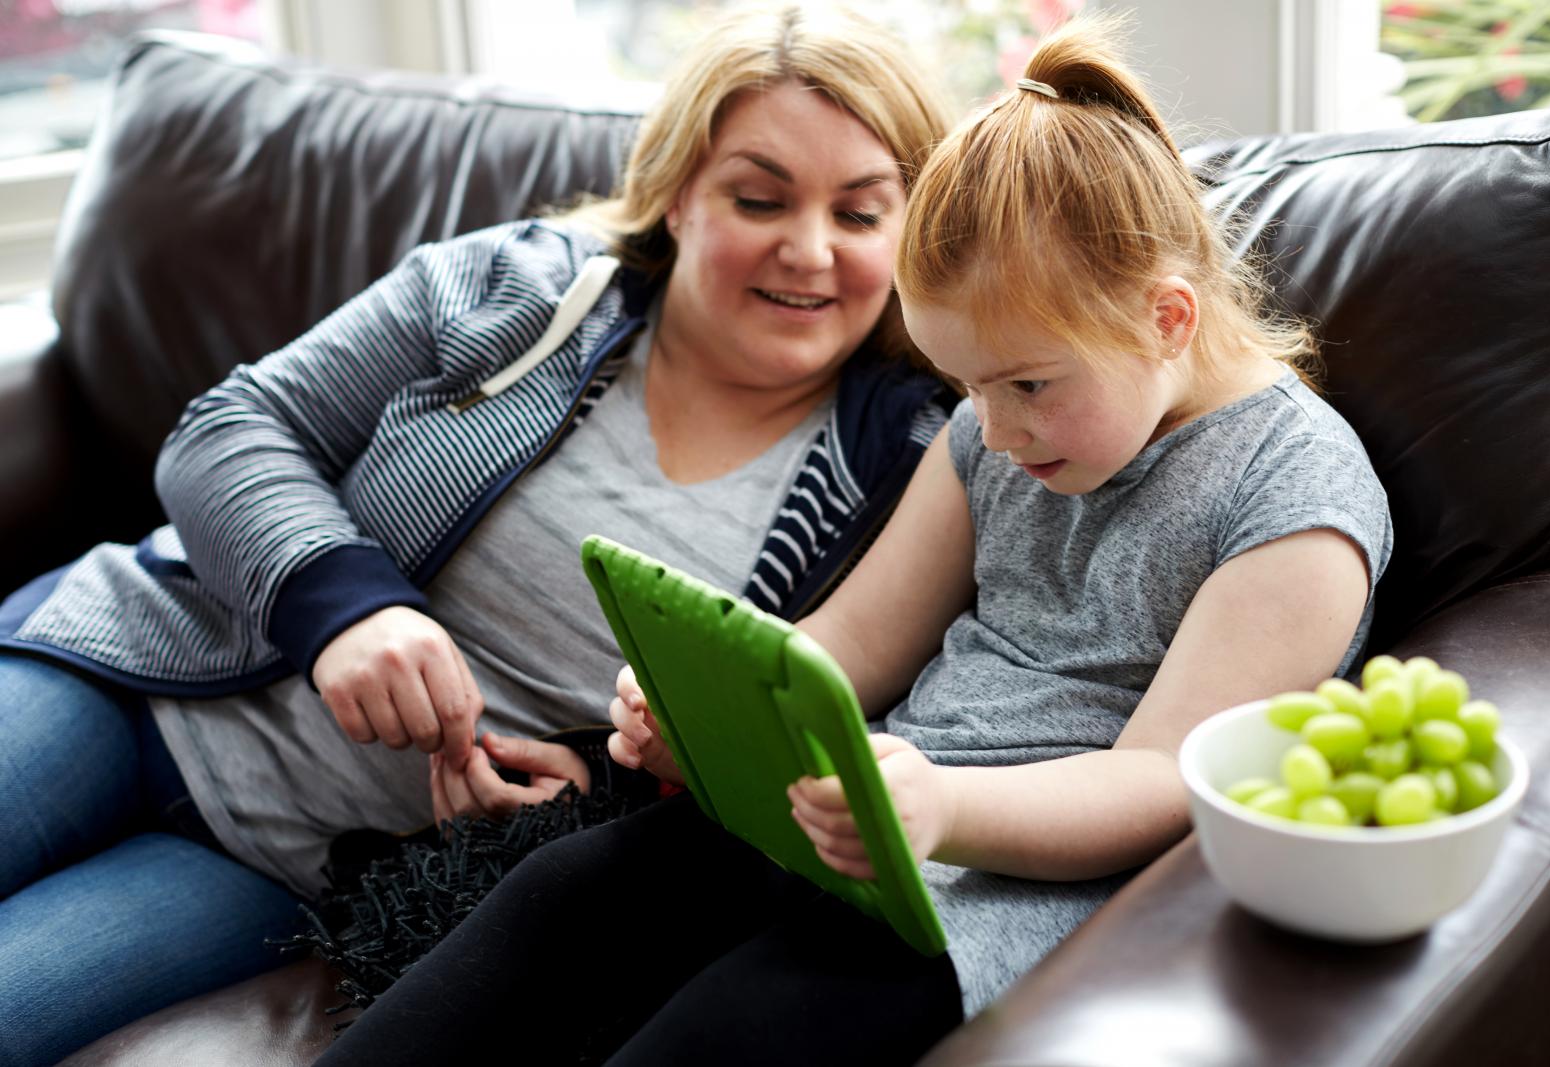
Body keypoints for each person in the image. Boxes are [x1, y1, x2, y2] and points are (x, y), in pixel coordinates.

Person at [309, 16, 1395, 1067]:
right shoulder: (997, 429)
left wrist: (944, 807)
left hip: (1009, 900)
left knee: (735, 1025)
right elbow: (855, 642)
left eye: (1026, 385)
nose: (992, 431)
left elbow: (1163, 780)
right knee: (559, 897)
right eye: (967, 384)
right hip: (871, 817)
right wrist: (711, 708)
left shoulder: (1293, 494)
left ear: (1168, 317)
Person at [0, 6, 954, 1063]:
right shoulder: (526, 283)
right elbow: (229, 429)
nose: (808, 249)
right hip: (132, 676)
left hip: (283, 858)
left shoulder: (914, 469)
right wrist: (345, 609)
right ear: (680, 193)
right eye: (759, 197)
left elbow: (794, 741)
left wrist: (591, 784)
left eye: (860, 213)